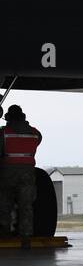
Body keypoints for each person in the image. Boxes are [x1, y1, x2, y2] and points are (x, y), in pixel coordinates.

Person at [0, 104, 42, 249]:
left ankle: (4, 233)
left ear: (8, 118)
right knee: (26, 204)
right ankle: (26, 236)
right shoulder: (35, 133)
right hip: (28, 172)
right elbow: (38, 142)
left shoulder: (4, 132)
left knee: (5, 203)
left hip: (8, 172)